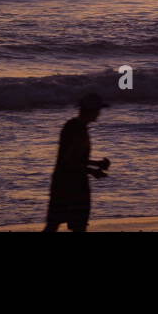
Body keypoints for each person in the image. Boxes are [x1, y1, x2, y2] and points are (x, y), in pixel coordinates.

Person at [42, 93, 110, 232]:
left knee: (62, 224)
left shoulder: (79, 127)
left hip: (71, 182)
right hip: (68, 184)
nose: (99, 114)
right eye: (97, 110)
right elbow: (69, 161)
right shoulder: (74, 128)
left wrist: (97, 164)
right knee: (60, 225)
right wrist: (92, 171)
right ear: (90, 111)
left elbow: (76, 159)